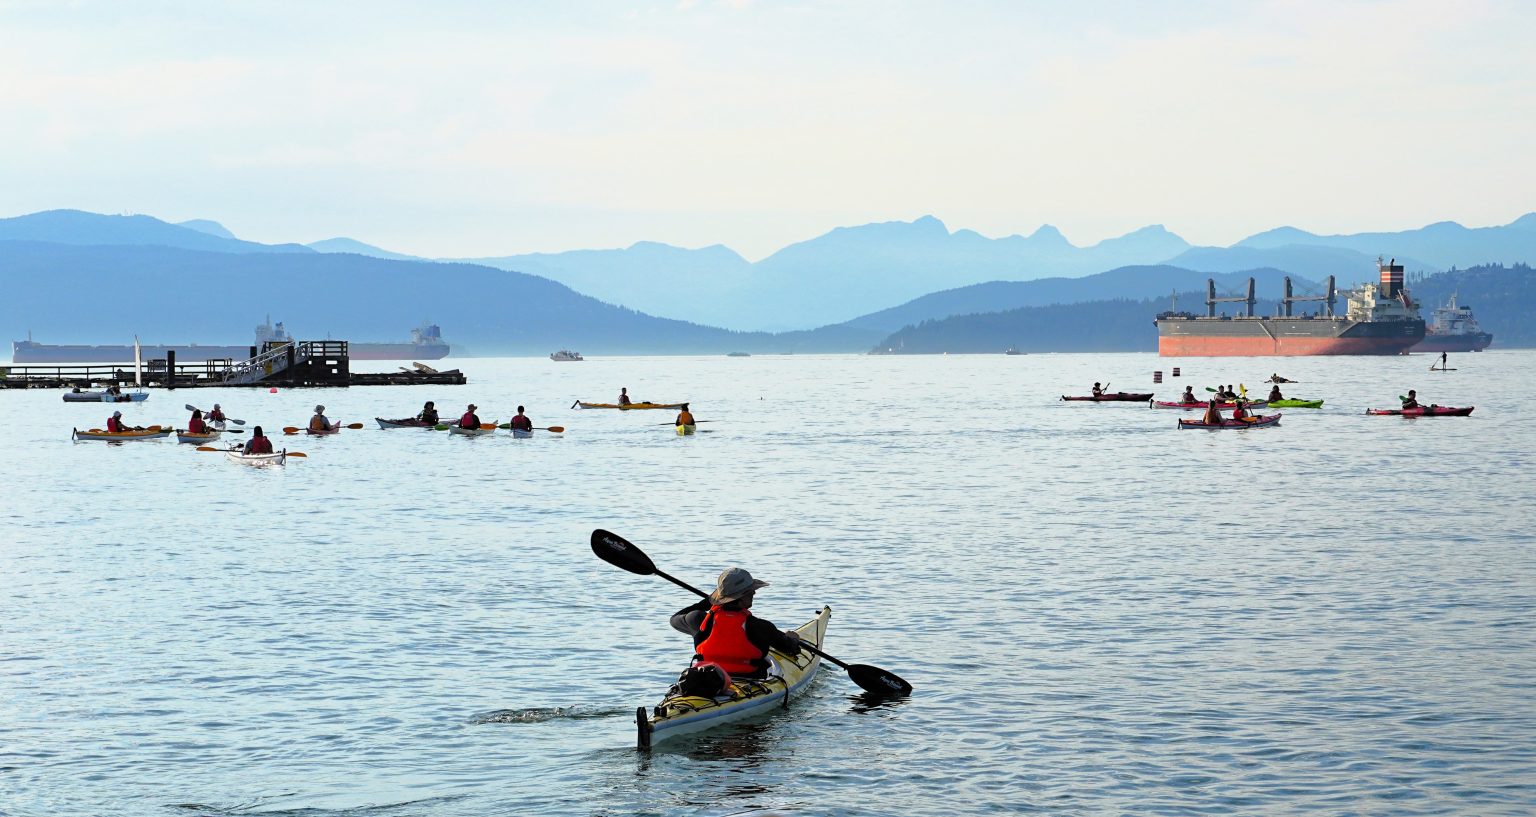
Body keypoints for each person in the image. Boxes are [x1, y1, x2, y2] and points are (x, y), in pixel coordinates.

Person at [670, 567, 802, 681]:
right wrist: (794, 639)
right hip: (751, 682)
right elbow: (791, 648)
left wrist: (709, 602)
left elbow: (674, 619)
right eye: (750, 591)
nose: (754, 592)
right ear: (741, 598)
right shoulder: (761, 627)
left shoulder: (698, 620)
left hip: (709, 680)